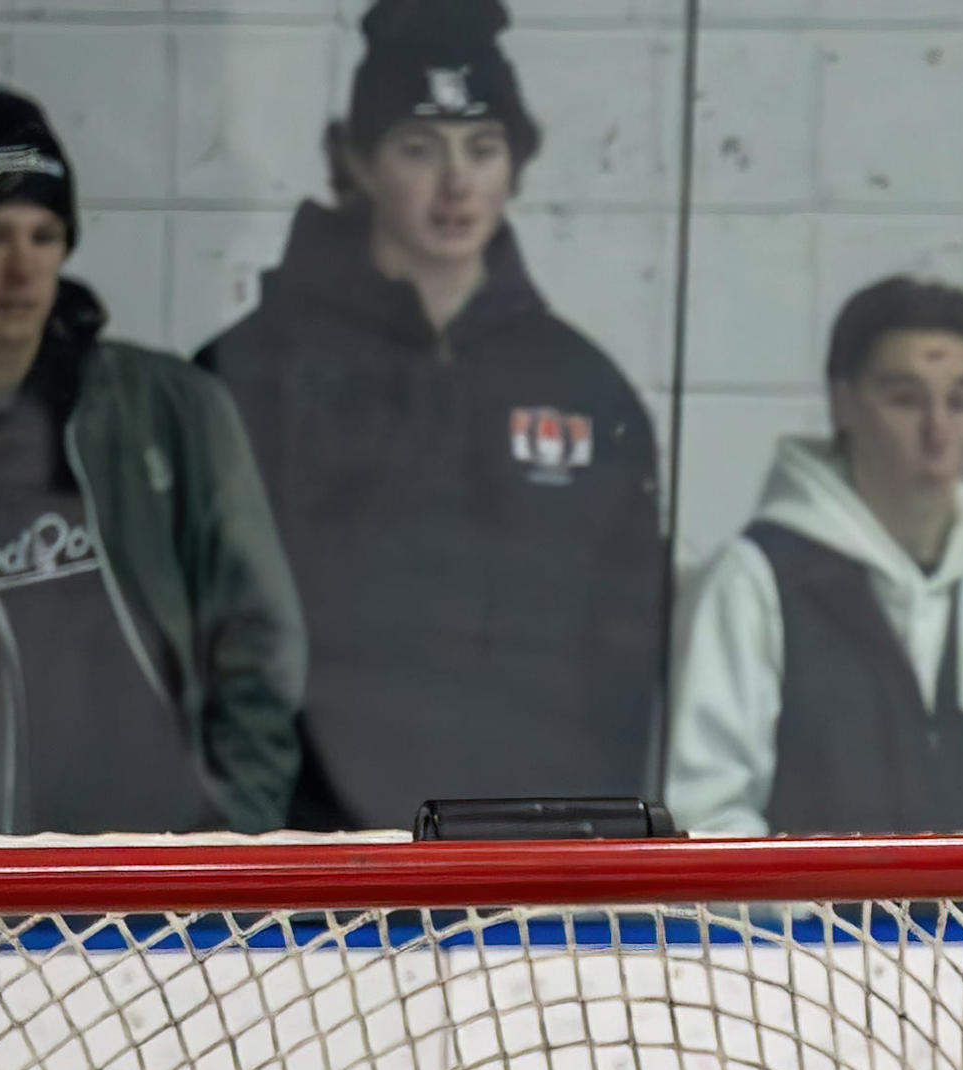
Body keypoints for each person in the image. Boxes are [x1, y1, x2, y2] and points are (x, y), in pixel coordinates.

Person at [196, 0, 663, 828]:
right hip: (310, 872)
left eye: (482, 148)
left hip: (530, 863)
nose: (457, 183)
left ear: (516, 165)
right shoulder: (248, 377)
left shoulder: (587, 390)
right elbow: (204, 646)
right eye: (419, 147)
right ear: (360, 162)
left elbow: (622, 664)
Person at [0, 59, 304, 834]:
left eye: (46, 232)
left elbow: (258, 639)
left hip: (183, 895)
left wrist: (241, 831)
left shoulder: (172, 410)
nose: (24, 268)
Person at [666, 277, 963, 838]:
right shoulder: (757, 582)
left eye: (961, 401)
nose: (938, 430)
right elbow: (708, 815)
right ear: (842, 401)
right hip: (807, 927)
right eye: (905, 399)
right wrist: (812, 924)